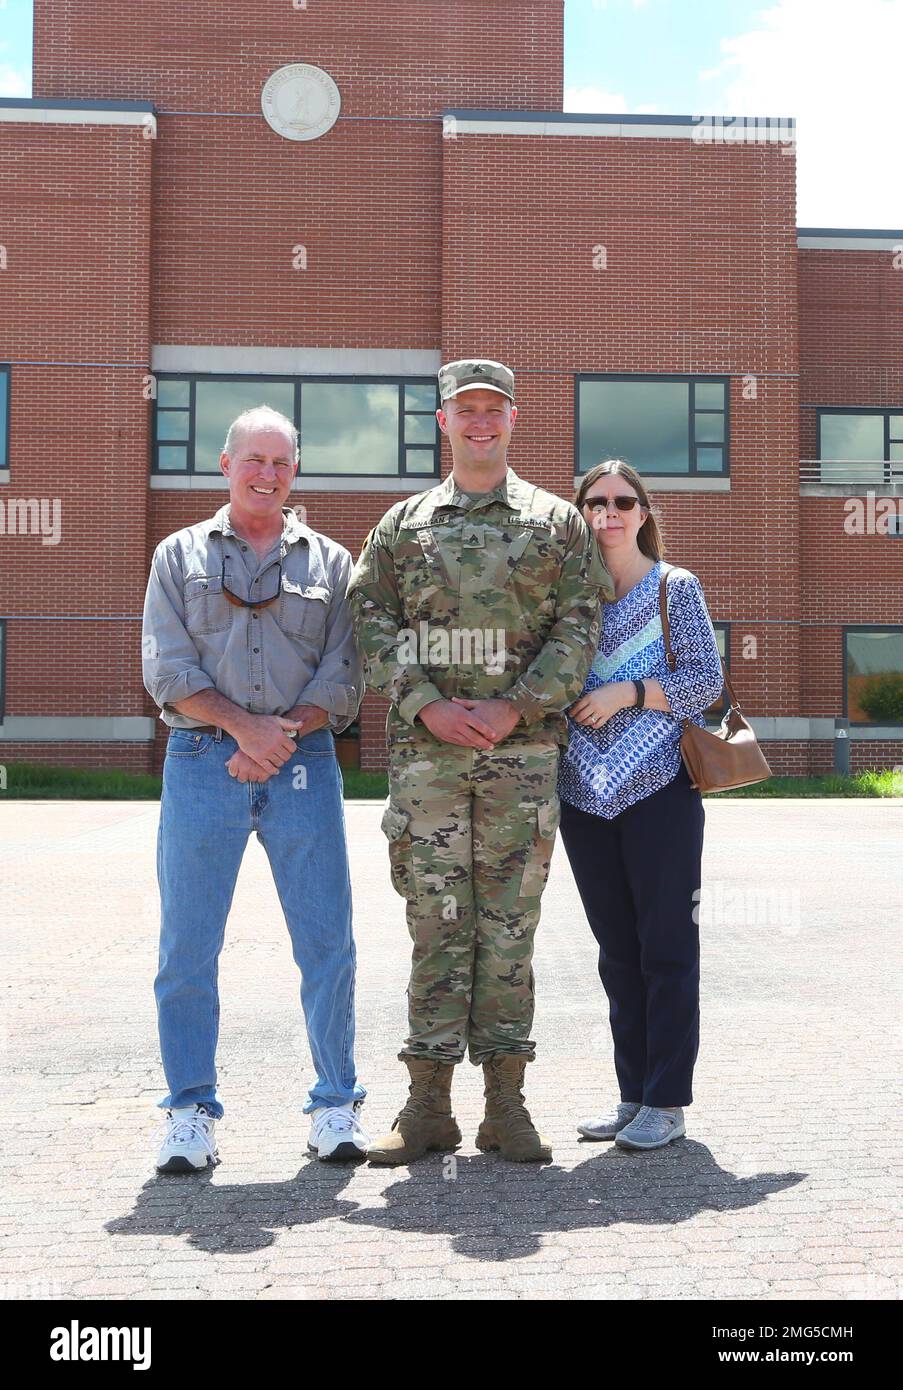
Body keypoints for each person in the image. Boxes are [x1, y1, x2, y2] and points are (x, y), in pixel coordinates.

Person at [348, 359, 614, 1164]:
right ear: (441, 421)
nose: (480, 423)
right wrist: (425, 701)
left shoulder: (555, 522)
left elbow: (579, 625)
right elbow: (369, 619)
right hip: (426, 762)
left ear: (511, 418)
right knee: (435, 926)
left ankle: (506, 1104)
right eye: (464, 410)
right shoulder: (402, 524)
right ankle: (426, 1106)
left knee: (508, 930)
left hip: (521, 758)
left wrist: (514, 705)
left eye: (493, 410)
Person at [141, 404, 367, 1171]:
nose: (266, 474)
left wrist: (278, 737)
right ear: (226, 466)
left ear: (294, 471)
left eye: (281, 462)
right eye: (253, 460)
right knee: (187, 949)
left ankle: (335, 1105)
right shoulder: (176, 555)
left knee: (326, 943)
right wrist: (245, 729)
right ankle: (189, 1114)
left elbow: (344, 676)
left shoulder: (332, 564)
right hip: (203, 762)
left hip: (303, 766)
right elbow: (166, 670)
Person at [558, 459, 724, 1150]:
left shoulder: (672, 588)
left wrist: (625, 693)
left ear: (644, 511)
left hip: (660, 791)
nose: (609, 513)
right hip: (581, 797)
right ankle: (631, 1095)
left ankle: (667, 1102)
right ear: (581, 513)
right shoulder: (567, 597)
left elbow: (706, 682)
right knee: (615, 955)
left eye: (623, 501)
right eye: (595, 503)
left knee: (665, 949)